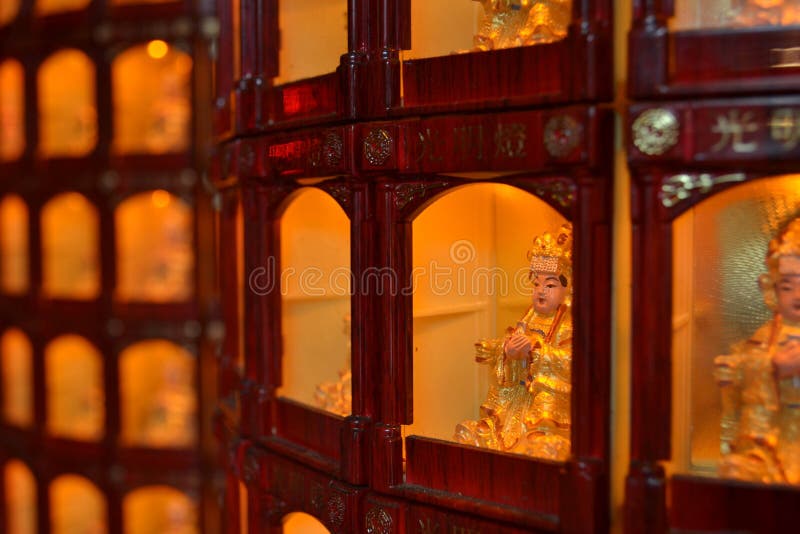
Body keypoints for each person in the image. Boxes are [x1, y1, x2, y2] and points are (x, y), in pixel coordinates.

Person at [455, 223, 572, 460]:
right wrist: (504, 350)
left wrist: (535, 349)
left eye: (550, 285)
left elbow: (571, 362)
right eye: (536, 283)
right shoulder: (530, 316)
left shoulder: (569, 323)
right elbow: (510, 345)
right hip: (513, 402)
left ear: (568, 288)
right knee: (478, 431)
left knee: (542, 444)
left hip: (546, 403)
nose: (541, 291)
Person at [715, 216, 800, 483]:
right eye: (788, 286)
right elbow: (739, 372)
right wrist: (772, 367)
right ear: (773, 289)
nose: (798, 296)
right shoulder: (767, 336)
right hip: (776, 437)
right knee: (739, 470)